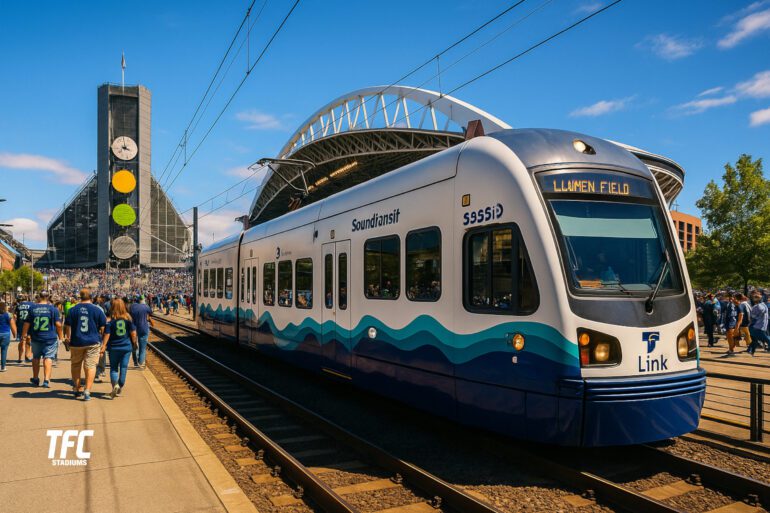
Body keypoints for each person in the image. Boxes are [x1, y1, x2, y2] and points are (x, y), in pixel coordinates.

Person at [63, 288, 107, 401]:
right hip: (93, 341)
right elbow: (103, 327)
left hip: (76, 341)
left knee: (76, 365)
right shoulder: (97, 310)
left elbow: (67, 325)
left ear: (80, 297)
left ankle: (77, 388)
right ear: (91, 297)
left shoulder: (73, 310)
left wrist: (68, 337)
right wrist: (102, 342)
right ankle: (87, 390)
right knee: (91, 366)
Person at [21, 291, 62, 387]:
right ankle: (46, 380)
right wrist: (61, 337)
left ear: (39, 296)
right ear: (48, 297)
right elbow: (58, 325)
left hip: (36, 337)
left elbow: (27, 323)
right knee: (48, 358)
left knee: (36, 357)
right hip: (50, 337)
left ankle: (35, 378)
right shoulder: (53, 309)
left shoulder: (33, 308)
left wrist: (24, 335)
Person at [100, 299, 137, 398]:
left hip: (113, 348)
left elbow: (107, 334)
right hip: (126, 347)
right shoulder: (128, 320)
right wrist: (134, 343)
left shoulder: (110, 322)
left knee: (113, 368)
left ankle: (115, 386)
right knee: (124, 367)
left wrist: (103, 345)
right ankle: (120, 384)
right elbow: (133, 334)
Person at [129, 296, 153, 368]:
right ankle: (140, 362)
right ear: (143, 300)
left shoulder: (132, 306)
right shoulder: (146, 307)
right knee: (142, 348)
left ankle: (135, 362)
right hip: (144, 328)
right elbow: (151, 313)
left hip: (133, 328)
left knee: (134, 345)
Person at [14, 294, 34, 363]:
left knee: (21, 341)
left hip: (20, 324)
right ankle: (27, 356)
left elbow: (15, 315)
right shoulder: (31, 304)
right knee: (28, 340)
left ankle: (19, 358)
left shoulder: (18, 305)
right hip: (29, 324)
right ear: (28, 298)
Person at [0, 302, 18, 371]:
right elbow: (12, 325)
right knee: (4, 350)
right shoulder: (9, 315)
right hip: (5, 334)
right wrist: (14, 334)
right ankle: (3, 367)